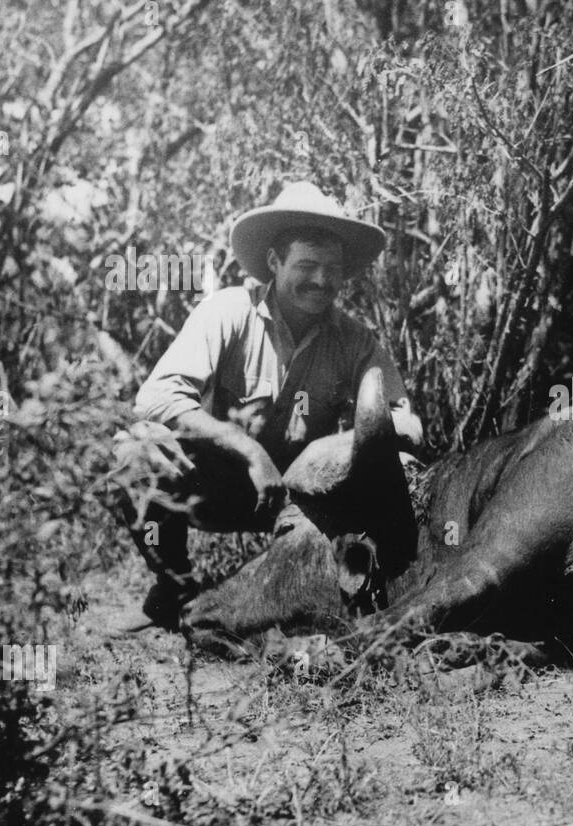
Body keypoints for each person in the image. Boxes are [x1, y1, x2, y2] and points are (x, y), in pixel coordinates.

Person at [111, 181, 421, 632]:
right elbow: (157, 397)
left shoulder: (355, 340)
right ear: (274, 263)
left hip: (303, 504)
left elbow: (406, 421)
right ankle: (173, 587)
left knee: (312, 605)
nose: (321, 280)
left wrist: (329, 453)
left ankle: (293, 594)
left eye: (332, 268)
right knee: (135, 450)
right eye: (307, 265)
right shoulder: (227, 312)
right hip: (216, 483)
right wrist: (249, 451)